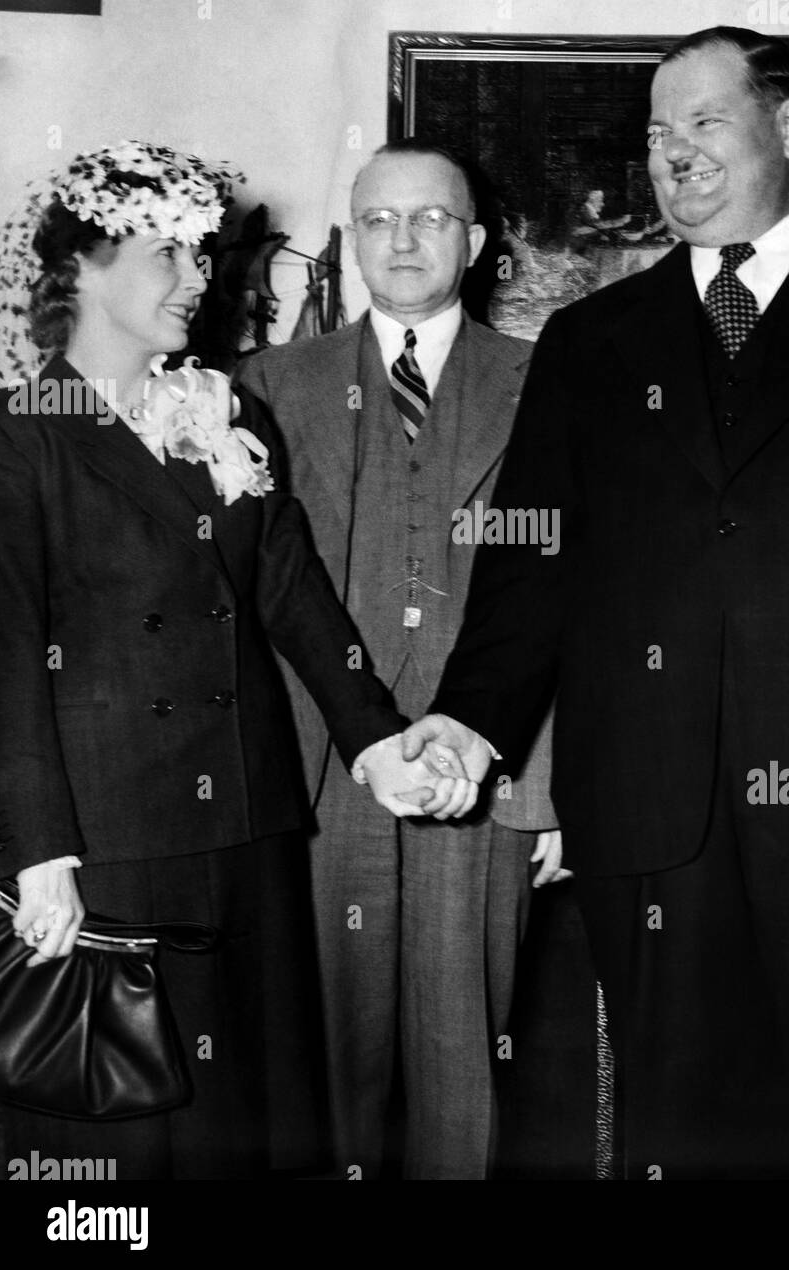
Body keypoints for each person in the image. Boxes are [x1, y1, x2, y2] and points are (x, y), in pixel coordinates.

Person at [406, 28, 789, 1179]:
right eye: (652, 133)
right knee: (685, 1143)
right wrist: (470, 720)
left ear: (785, 129)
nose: (670, 154)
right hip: (653, 820)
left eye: (700, 123)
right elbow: (531, 564)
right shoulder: (590, 340)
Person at [0, 141, 471, 1180]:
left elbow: (294, 597)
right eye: (166, 252)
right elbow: (4, 662)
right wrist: (37, 853)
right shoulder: (24, 436)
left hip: (247, 823)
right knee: (118, 1135)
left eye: (203, 252)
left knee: (244, 1120)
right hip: (108, 841)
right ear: (80, 267)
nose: (198, 275)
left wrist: (378, 743)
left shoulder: (227, 415)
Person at [239, 140, 564, 1181]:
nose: (403, 239)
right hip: (318, 776)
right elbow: (246, 598)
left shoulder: (544, 384)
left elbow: (576, 595)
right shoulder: (270, 383)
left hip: (489, 773)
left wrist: (551, 788)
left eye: (429, 218)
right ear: (352, 238)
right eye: (376, 220)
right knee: (320, 1063)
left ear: (473, 243)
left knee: (462, 1058)